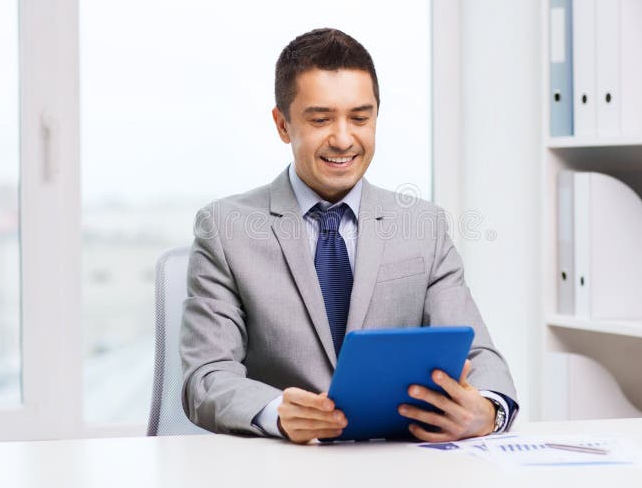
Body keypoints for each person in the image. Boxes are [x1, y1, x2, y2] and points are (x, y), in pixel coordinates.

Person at [180, 28, 518, 444]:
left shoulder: (424, 227)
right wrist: (277, 413)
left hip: (400, 464)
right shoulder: (225, 229)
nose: (343, 139)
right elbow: (206, 376)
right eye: (321, 119)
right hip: (284, 466)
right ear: (282, 124)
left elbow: (479, 356)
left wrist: (487, 410)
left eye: (360, 118)